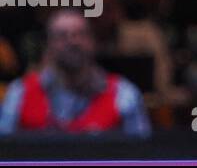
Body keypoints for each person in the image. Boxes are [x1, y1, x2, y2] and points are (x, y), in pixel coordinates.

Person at [0, 9, 151, 136]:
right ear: (48, 45)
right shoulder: (19, 93)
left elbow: (142, 154)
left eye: (80, 34)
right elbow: (5, 151)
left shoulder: (124, 94)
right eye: (62, 36)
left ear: (93, 42)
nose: (72, 41)